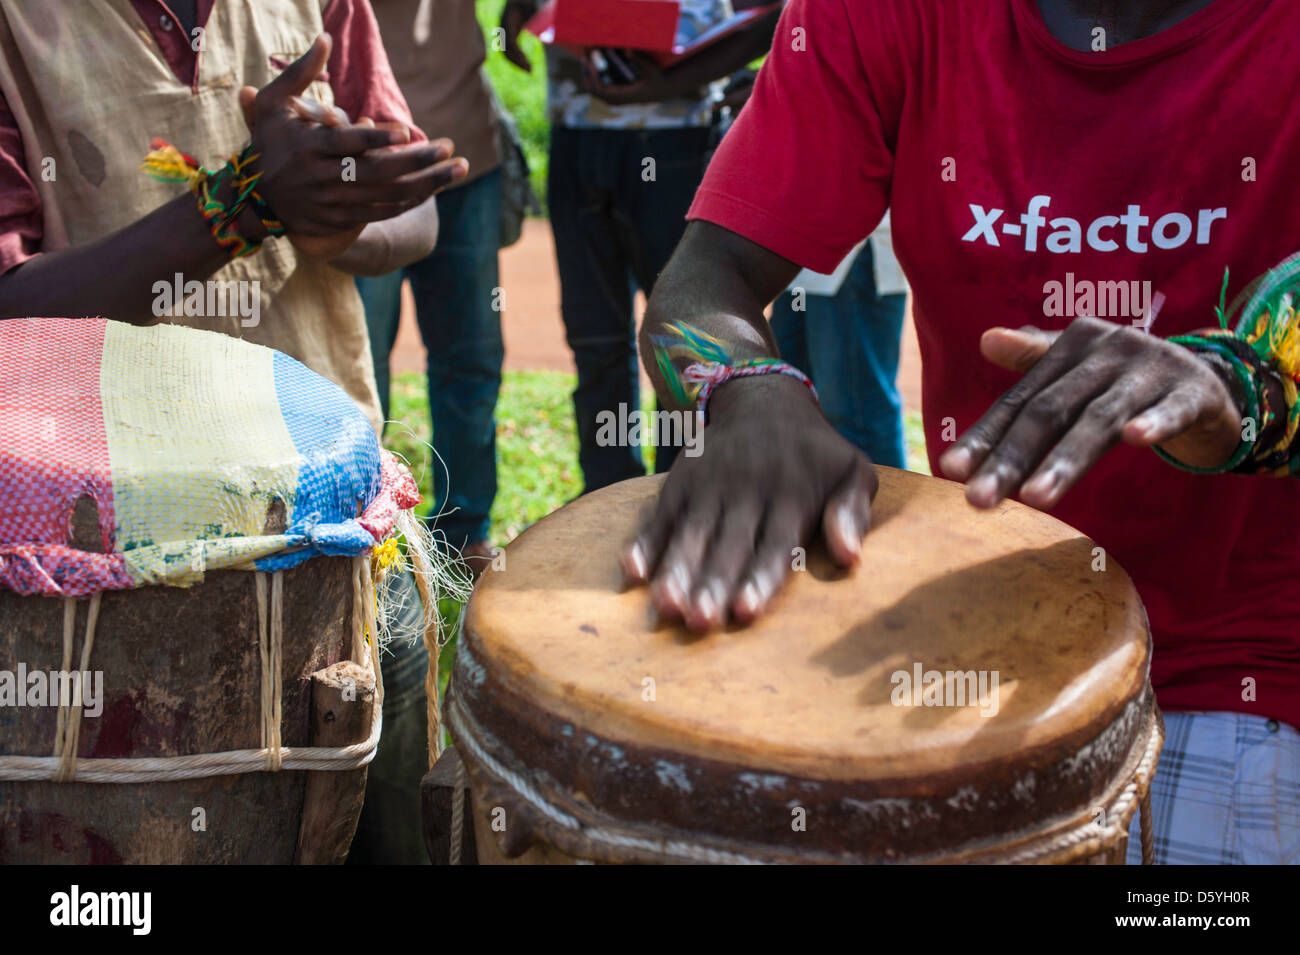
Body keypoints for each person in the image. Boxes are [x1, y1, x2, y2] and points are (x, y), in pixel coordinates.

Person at [626, 0, 1300, 864]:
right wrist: (747, 387)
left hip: (1248, 664)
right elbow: (701, 283)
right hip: (975, 636)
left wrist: (1240, 395)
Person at [0, 0, 467, 865]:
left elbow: (418, 217)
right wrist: (243, 201)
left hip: (341, 528)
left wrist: (341, 214)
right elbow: (12, 301)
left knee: (389, 828)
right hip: (103, 571)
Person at [500, 0, 781, 490]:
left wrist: (681, 79)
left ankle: (677, 495)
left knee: (684, 336)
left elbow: (781, 15)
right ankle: (607, 499)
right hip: (577, 134)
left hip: (679, 135)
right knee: (595, 337)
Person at [359, 0, 505, 572]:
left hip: (464, 154)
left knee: (471, 355)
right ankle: (367, 533)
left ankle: (462, 532)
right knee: (361, 368)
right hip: (365, 165)